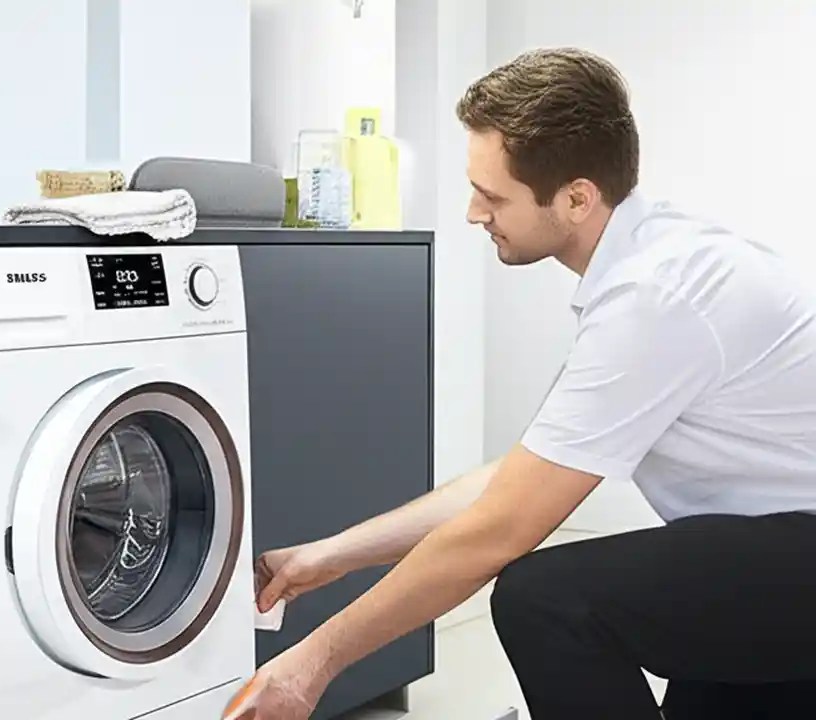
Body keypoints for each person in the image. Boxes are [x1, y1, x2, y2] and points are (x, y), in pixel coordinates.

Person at [241, 47, 816, 720]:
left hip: (795, 554)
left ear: (577, 197)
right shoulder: (654, 266)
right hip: (779, 549)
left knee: (544, 597)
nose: (471, 214)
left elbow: (502, 527)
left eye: (492, 196)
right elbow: (520, 477)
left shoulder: (654, 298)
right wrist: (332, 556)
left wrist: (310, 666)